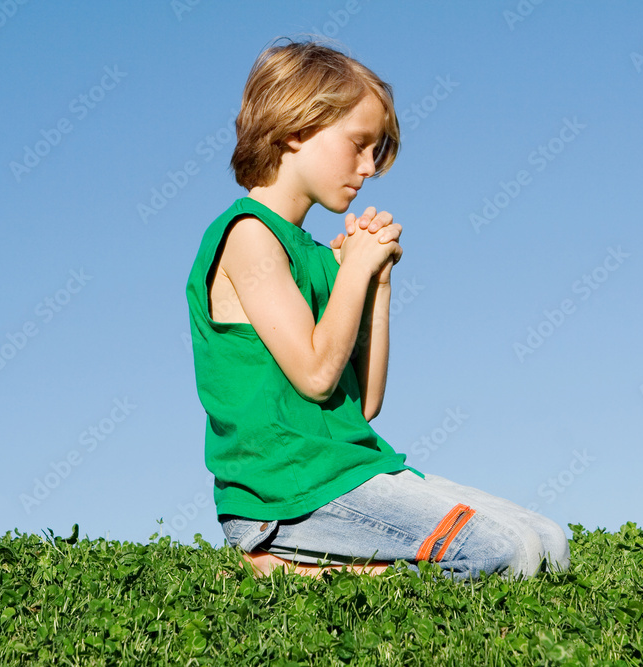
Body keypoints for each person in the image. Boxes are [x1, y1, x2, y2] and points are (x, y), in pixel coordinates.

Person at [185, 37, 570, 582]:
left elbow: (362, 405)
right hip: (287, 493)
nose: (369, 167)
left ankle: (310, 566)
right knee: (499, 555)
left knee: (549, 544)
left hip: (352, 472)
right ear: (296, 128)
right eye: (359, 144)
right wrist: (357, 272)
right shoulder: (248, 236)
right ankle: (285, 571)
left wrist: (376, 284)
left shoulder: (318, 256)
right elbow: (318, 376)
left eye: (377, 150)